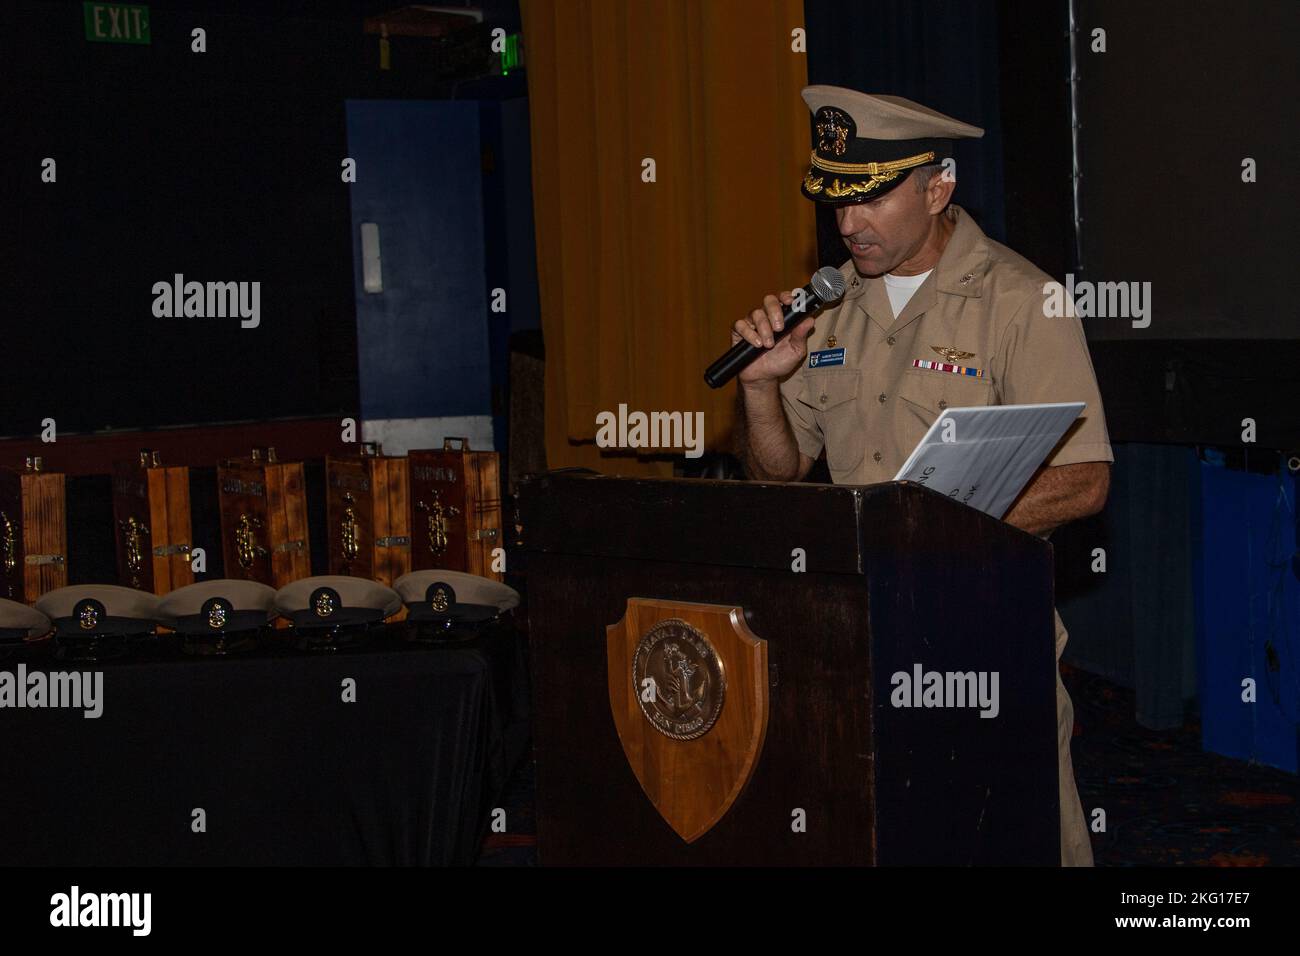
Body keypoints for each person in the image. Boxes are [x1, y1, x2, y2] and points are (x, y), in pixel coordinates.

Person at [734, 85, 1112, 866]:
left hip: (984, 640)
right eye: (835, 202)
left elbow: (1083, 479)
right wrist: (761, 386)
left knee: (1015, 840)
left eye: (869, 200)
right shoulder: (829, 310)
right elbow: (778, 473)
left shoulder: (1022, 301)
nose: (847, 226)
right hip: (853, 640)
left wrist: (928, 539)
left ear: (938, 187)